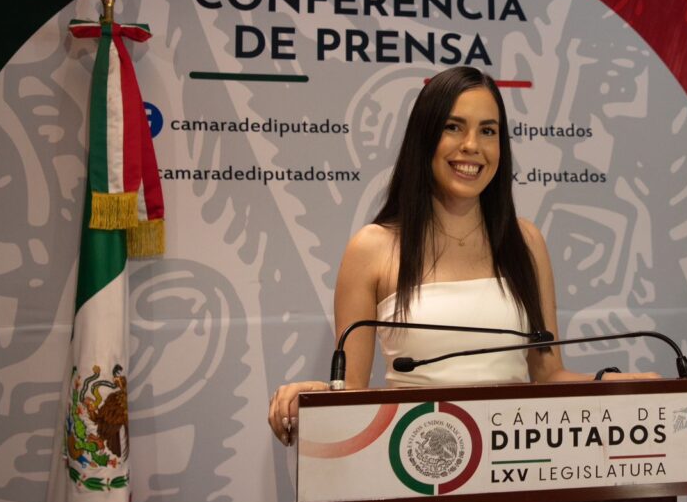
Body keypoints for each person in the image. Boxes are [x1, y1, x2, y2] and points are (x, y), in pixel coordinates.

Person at [268, 66, 656, 445]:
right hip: (416, 457)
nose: (472, 145)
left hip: (516, 457)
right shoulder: (372, 247)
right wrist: (313, 394)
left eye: (488, 131)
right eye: (454, 127)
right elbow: (351, 390)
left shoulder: (526, 241)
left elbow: (549, 374)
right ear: (425, 137)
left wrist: (611, 382)